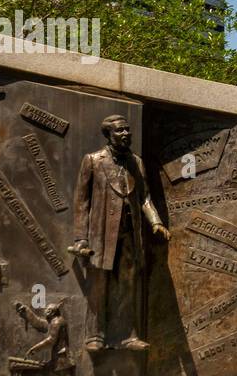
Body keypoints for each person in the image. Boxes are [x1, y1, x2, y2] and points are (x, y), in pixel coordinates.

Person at [68, 114, 170, 351]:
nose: (126, 134)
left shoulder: (137, 162)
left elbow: (144, 197)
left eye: (128, 130)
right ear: (109, 135)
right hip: (101, 235)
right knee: (99, 285)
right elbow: (81, 202)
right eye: (120, 131)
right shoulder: (93, 161)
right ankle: (95, 335)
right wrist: (81, 238)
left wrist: (155, 221)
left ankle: (128, 336)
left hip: (130, 235)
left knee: (128, 284)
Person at [15, 300, 74, 376]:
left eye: (47, 309)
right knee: (55, 369)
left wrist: (35, 348)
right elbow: (39, 323)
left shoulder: (57, 322)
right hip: (57, 351)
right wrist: (26, 311)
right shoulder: (53, 321)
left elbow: (51, 340)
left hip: (61, 351)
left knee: (63, 369)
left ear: (51, 312)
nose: (45, 310)